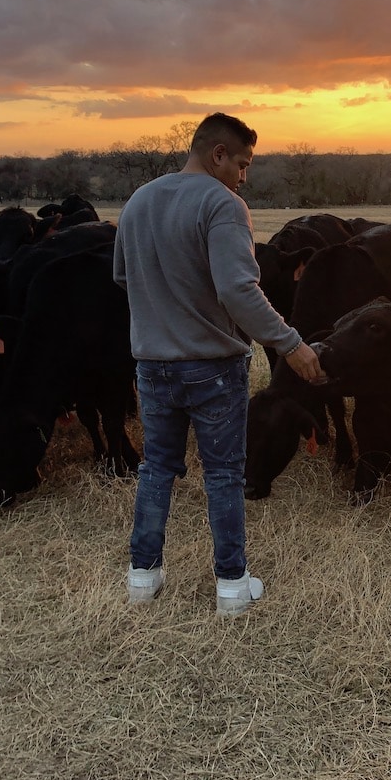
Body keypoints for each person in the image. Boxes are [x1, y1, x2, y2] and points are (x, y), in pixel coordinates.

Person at [113, 112, 325, 615]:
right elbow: (238, 290)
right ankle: (231, 584)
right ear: (218, 155)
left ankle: (143, 577)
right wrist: (291, 344)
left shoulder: (139, 201)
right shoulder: (223, 204)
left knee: (157, 468)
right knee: (225, 473)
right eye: (243, 164)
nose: (244, 176)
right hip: (211, 366)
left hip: (151, 363)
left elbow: (123, 276)